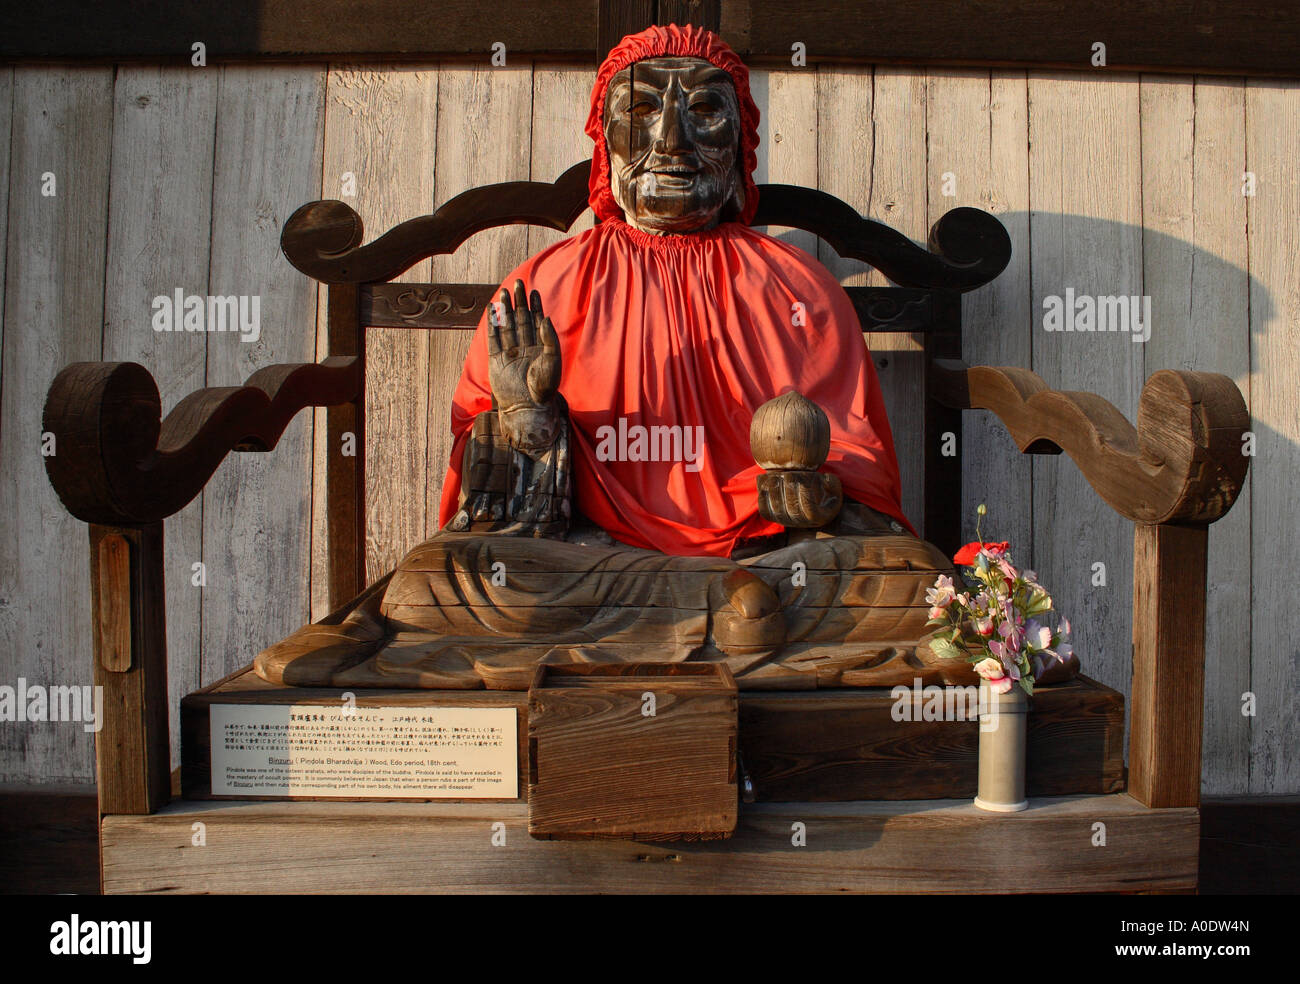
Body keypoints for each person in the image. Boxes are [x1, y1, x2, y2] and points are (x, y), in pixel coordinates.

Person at [257, 24, 1065, 691]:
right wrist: (527, 423)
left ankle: (724, 602)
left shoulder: (794, 285)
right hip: (591, 556)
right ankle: (722, 608)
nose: (670, 141)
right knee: (441, 579)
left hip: (769, 556)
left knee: (903, 576)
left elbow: (857, 472)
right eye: (641, 112)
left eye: (704, 114)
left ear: (741, 143)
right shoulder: (548, 285)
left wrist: (809, 491)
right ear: (602, 133)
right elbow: (489, 511)